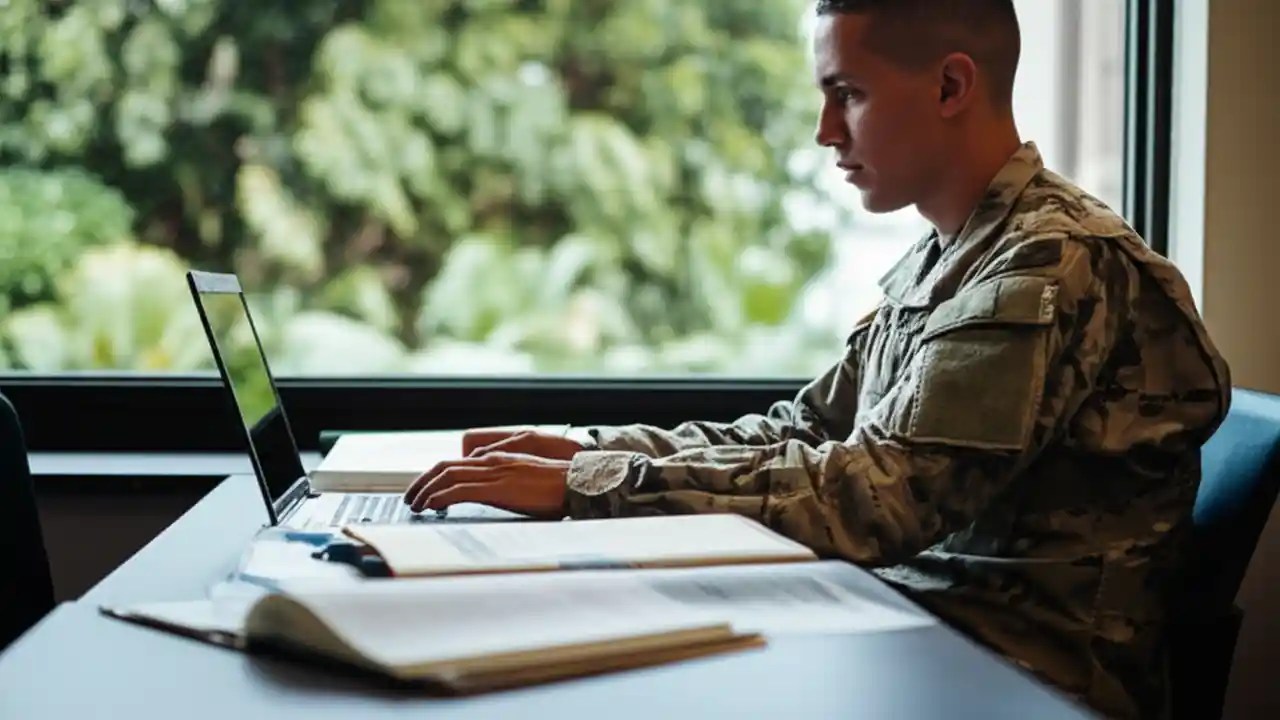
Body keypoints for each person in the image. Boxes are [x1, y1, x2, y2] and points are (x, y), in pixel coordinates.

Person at [403, 1, 1231, 717]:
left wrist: (606, 489)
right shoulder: (953, 255)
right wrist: (599, 453)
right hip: (920, 632)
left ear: (950, 87)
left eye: (849, 94)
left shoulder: (1052, 260)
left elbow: (879, 498)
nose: (825, 130)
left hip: (1017, 681)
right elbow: (803, 427)